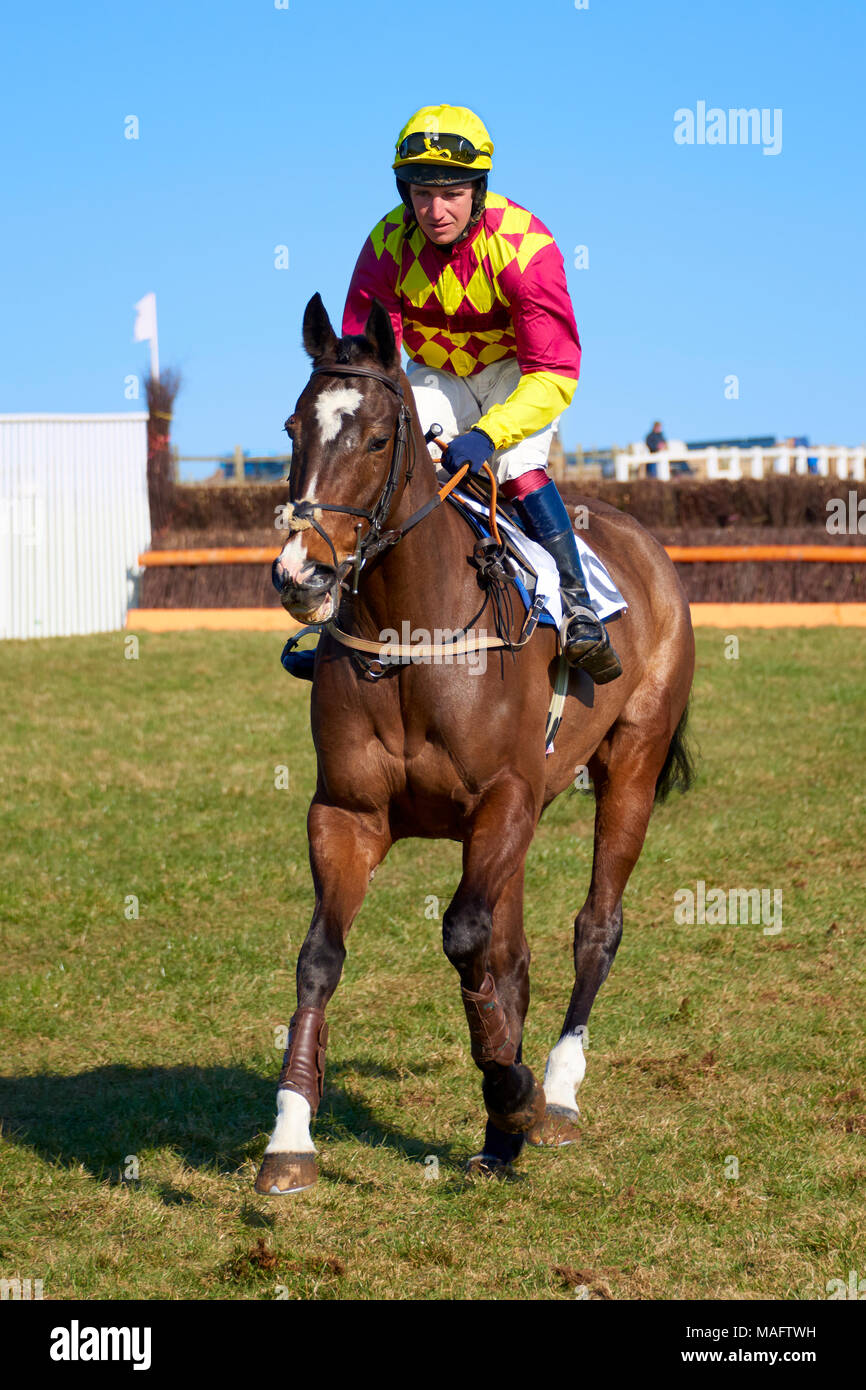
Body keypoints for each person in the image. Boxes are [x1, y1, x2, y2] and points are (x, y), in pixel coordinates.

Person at [341, 104, 621, 684]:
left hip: (516, 376)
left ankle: (578, 605)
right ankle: (335, 612)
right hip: (437, 374)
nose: (434, 211)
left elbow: (556, 373)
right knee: (390, 458)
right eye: (420, 194)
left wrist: (488, 434)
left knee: (516, 467)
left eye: (451, 194)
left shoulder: (526, 247)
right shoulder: (386, 246)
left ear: (478, 190)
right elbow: (368, 361)